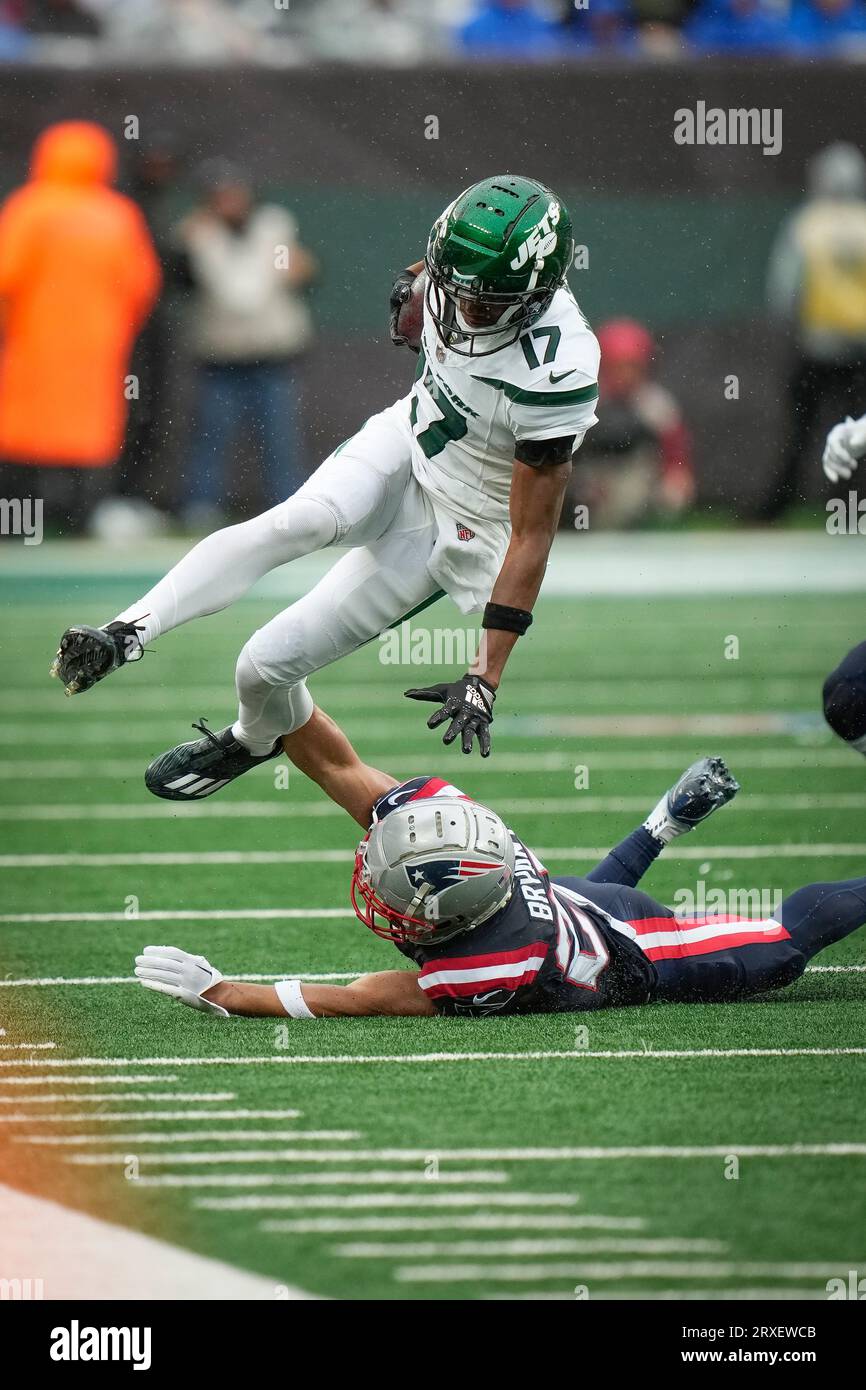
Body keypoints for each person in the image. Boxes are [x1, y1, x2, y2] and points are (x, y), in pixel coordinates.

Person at [50, 174, 601, 787]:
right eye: (455, 288)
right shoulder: (459, 271)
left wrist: (485, 674)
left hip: (463, 521)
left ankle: (251, 742)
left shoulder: (557, 370)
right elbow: (435, 268)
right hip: (408, 441)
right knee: (302, 520)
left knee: (261, 666)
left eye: (485, 302)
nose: (464, 309)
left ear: (533, 292)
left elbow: (531, 536)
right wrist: (418, 285)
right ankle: (128, 631)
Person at [133, 734, 866, 1022]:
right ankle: (662, 825)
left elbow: (362, 999)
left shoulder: (489, 962)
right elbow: (343, 768)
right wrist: (271, 712)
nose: (387, 897)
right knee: (584, 896)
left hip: (639, 952)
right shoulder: (465, 829)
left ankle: (665, 828)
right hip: (575, 903)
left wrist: (230, 993)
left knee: (778, 947)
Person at [0, 121, 161, 535]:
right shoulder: (117, 215)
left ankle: (20, 524)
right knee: (90, 434)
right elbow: (142, 286)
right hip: (98, 350)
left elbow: (5, 275)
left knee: (24, 434)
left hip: (34, 347)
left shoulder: (30, 208)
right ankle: (81, 518)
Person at [176, 160, 317, 525]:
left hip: (272, 354)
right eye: (220, 196)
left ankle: (289, 507)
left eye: (234, 194)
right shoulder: (197, 234)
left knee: (280, 440)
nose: (229, 202)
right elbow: (234, 294)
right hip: (221, 356)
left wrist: (301, 268)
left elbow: (294, 275)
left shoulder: (273, 225)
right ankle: (200, 507)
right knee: (210, 436)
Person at [762, 142, 866, 518]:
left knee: (801, 431)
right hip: (861, 350)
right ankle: (849, 504)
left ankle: (778, 506)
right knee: (858, 433)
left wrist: (786, 334)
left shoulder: (808, 225)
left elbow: (787, 289)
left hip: (817, 346)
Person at [566, 317, 693, 529]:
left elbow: (676, 456)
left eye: (632, 366)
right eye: (618, 366)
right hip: (589, 475)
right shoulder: (585, 400)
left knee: (652, 493)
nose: (625, 375)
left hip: (636, 478)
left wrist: (676, 476)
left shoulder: (655, 404)